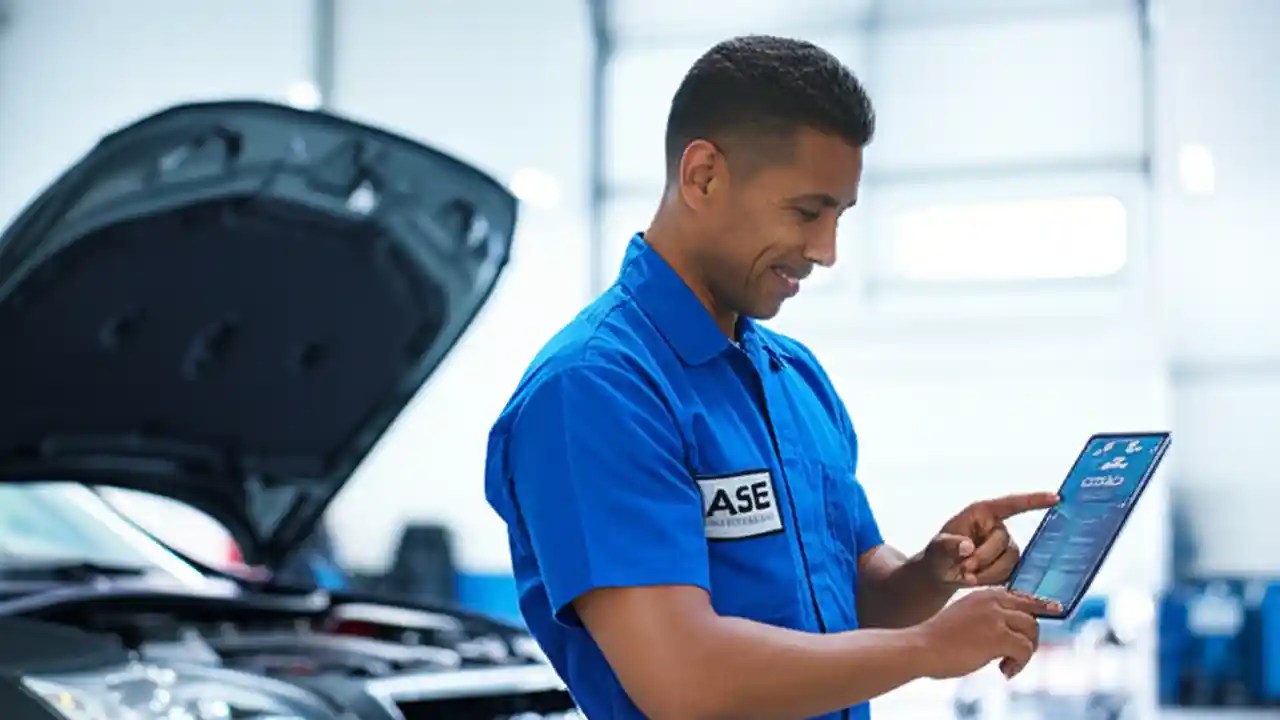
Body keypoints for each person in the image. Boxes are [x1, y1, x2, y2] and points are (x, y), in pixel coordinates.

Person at [484, 34, 1061, 720]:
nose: (826, 250)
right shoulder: (594, 391)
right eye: (806, 212)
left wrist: (929, 575)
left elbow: (851, 597)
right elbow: (682, 678)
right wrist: (931, 649)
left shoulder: (795, 378)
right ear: (703, 176)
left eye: (840, 216)